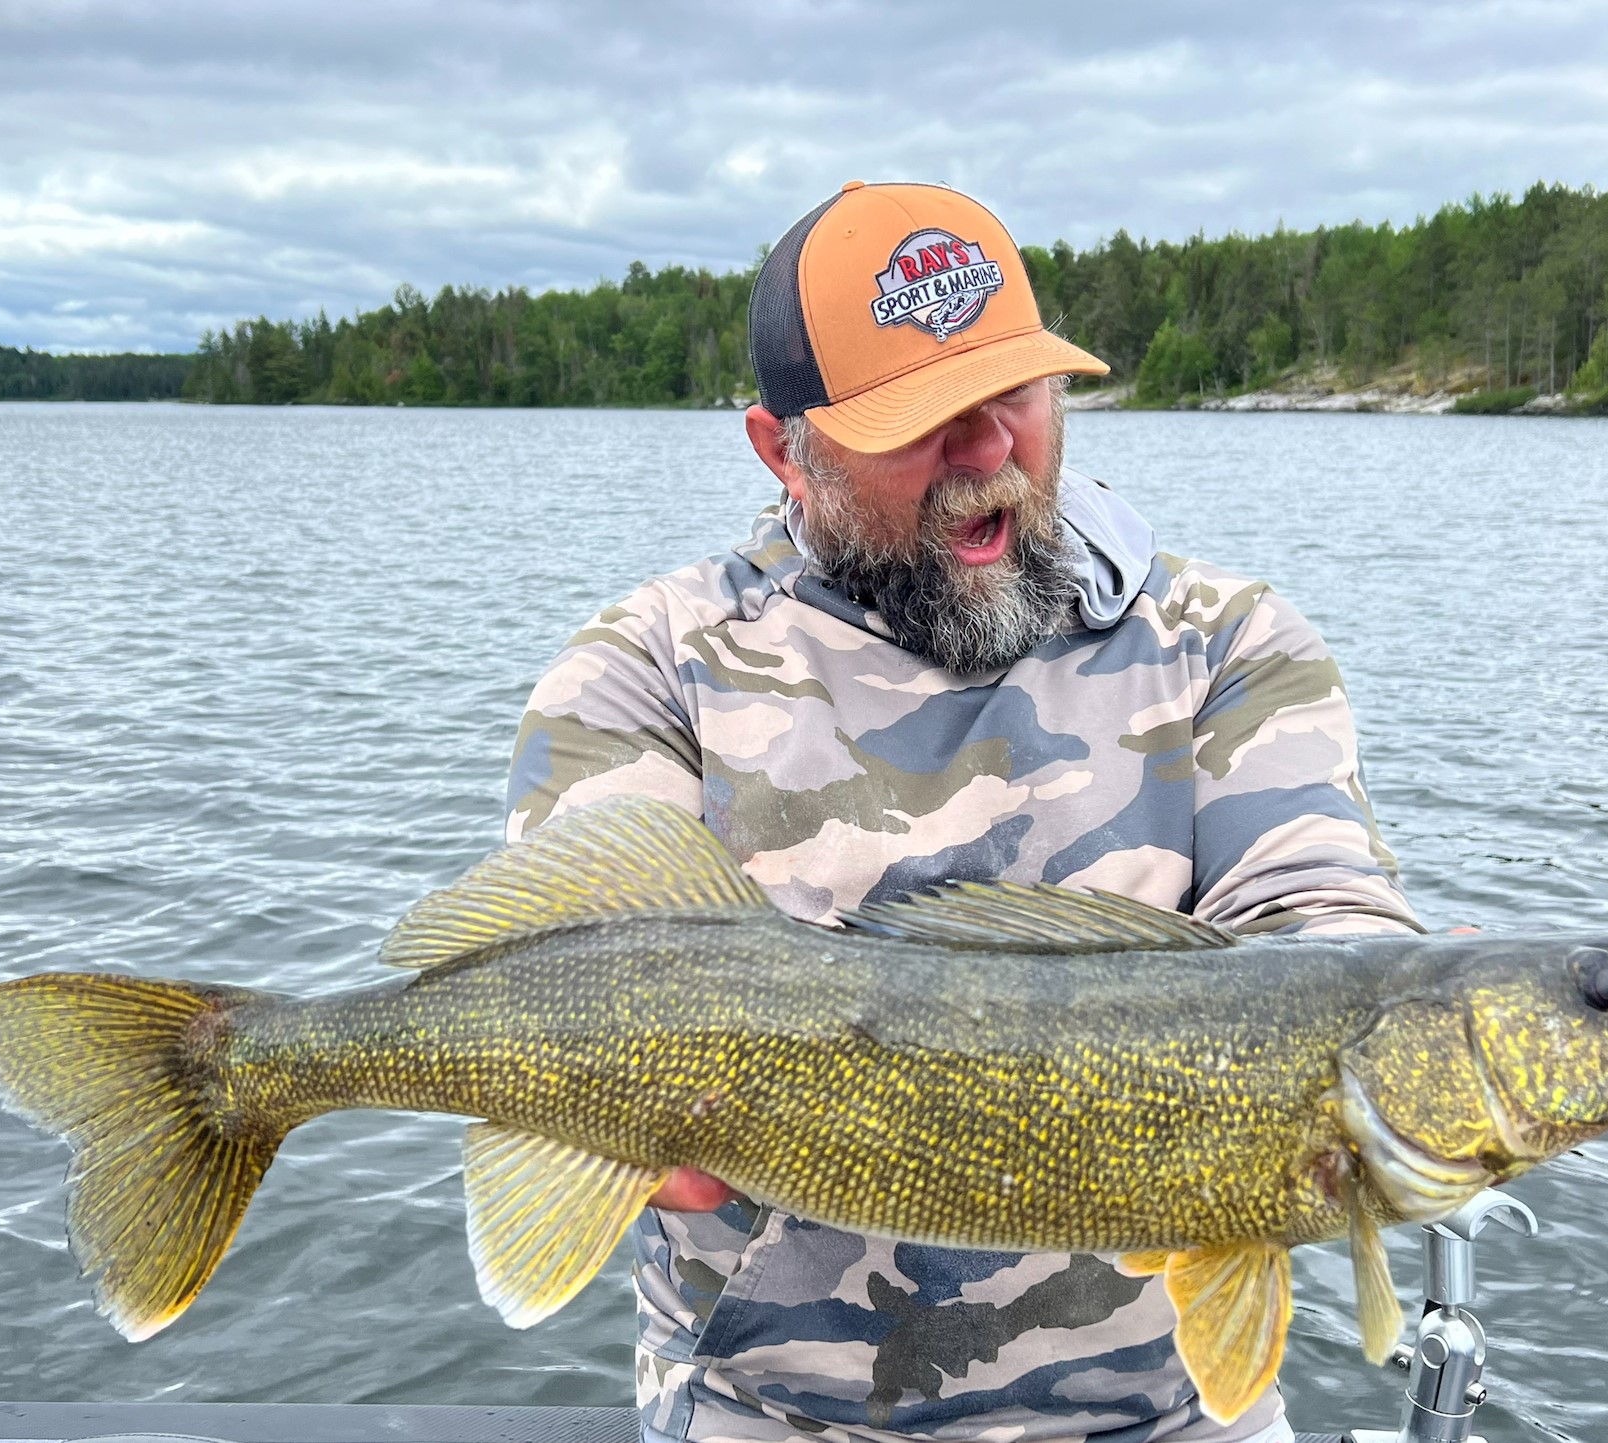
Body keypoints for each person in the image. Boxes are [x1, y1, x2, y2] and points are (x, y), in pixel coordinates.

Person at [506, 181, 1420, 1443]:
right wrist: (593, 1129)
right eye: (921, 415)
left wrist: (1423, 1044)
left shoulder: (1226, 643)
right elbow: (565, 971)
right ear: (786, 450)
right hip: (770, 1415)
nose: (987, 448)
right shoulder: (652, 664)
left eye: (1017, 390)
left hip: (1164, 1419)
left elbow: (1320, 915)